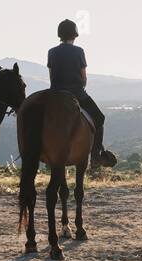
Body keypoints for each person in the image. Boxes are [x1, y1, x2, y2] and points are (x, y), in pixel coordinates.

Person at [48, 19, 116, 168]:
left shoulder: (52, 52)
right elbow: (83, 76)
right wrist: (81, 86)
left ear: (59, 35)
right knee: (99, 118)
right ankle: (95, 156)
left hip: (56, 95)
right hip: (76, 94)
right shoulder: (79, 51)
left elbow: (51, 76)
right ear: (75, 35)